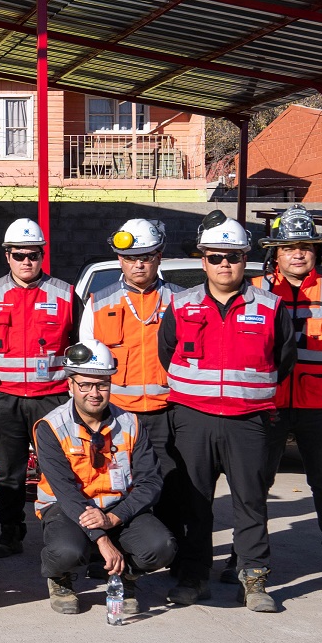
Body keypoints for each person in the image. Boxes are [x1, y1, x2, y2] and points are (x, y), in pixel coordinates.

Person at [158, 212, 295, 612]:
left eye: (233, 257)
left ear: (244, 259)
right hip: (193, 419)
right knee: (194, 503)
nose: (224, 264)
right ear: (203, 260)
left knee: (250, 502)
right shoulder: (181, 304)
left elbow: (283, 359)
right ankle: (194, 577)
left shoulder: (271, 307)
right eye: (215, 257)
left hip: (248, 422)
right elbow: (167, 353)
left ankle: (253, 580)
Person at [257, 206, 322, 595]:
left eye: (306, 246)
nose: (298, 254)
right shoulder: (256, 290)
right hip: (267, 404)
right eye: (289, 247)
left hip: (319, 405)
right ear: (276, 253)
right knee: (256, 482)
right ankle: (249, 558)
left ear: (317, 252)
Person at [33, 341, 178, 616]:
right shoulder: (50, 427)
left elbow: (150, 482)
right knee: (66, 551)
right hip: (67, 508)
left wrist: (113, 519)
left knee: (162, 547)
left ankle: (125, 576)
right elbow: (65, 491)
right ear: (70, 385)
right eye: (85, 385)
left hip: (117, 509)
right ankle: (60, 578)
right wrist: (101, 539)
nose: (94, 393)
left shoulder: (131, 423)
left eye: (102, 385)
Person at [77, 218, 190, 558]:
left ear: (159, 257)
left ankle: (170, 554)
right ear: (119, 259)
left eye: (146, 256)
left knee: (171, 488)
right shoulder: (98, 302)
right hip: (117, 417)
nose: (138, 264)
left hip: (168, 413)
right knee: (113, 485)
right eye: (130, 258)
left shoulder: (182, 300)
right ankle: (111, 554)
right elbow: (88, 368)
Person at [0, 218, 79, 558]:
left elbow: (81, 347)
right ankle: (10, 533)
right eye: (19, 255)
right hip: (4, 398)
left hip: (51, 398)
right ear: (7, 255)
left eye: (33, 255)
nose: (26, 262)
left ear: (42, 255)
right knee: (10, 472)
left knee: (58, 469)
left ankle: (63, 533)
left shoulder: (65, 295)